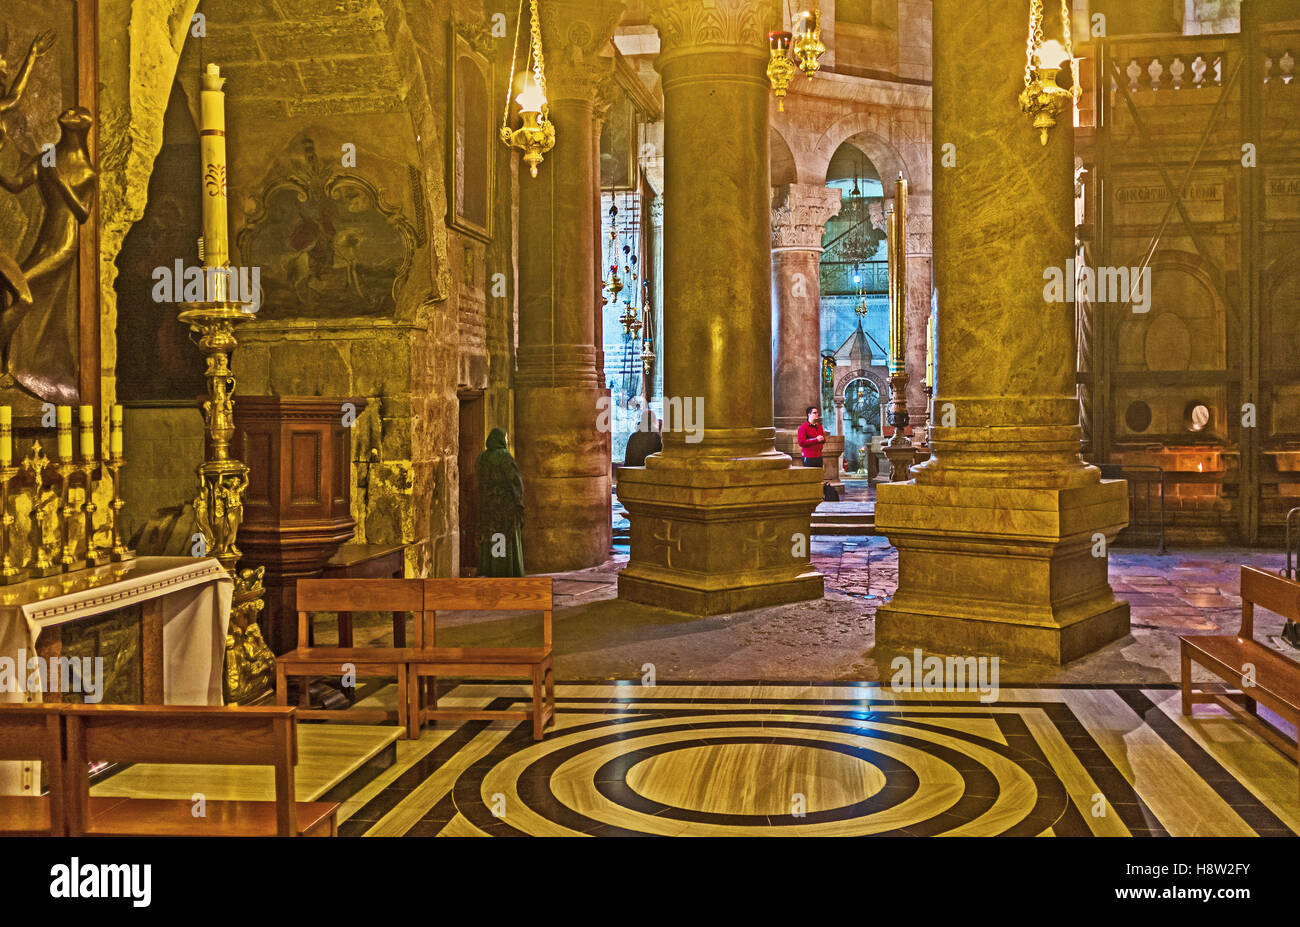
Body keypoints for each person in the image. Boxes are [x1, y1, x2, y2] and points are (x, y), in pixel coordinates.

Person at [475, 427, 525, 576]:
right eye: (506, 438)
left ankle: (491, 571)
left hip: (486, 508)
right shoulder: (505, 457)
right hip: (504, 509)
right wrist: (519, 503)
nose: (507, 441)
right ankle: (504, 572)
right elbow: (515, 482)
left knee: (491, 539)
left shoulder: (481, 458)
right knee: (503, 538)